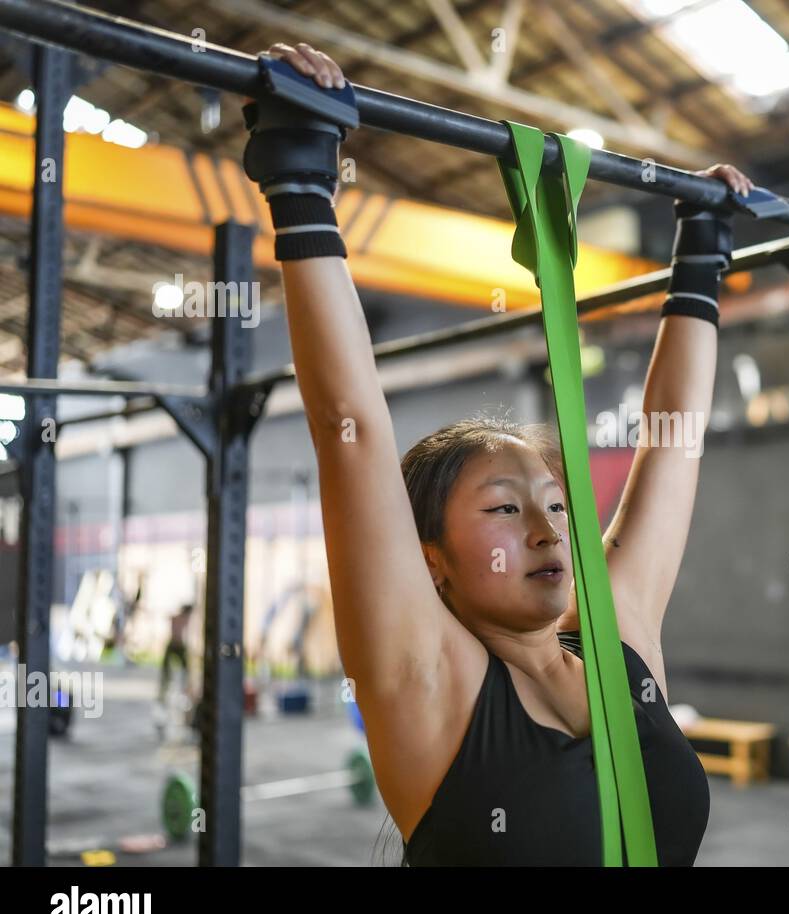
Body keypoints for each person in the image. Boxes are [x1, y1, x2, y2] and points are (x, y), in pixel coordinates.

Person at [242, 42, 753, 865]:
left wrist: (702, 250)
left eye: (554, 504)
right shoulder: (428, 682)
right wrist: (300, 177)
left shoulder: (616, 640)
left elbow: (675, 436)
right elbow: (352, 430)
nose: (549, 531)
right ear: (431, 561)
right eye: (505, 512)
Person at [158, 602, 192, 705]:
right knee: (167, 670)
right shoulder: (181, 618)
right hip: (175, 645)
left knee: (185, 670)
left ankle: (183, 692)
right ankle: (165, 693)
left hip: (178, 645)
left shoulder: (182, 619)